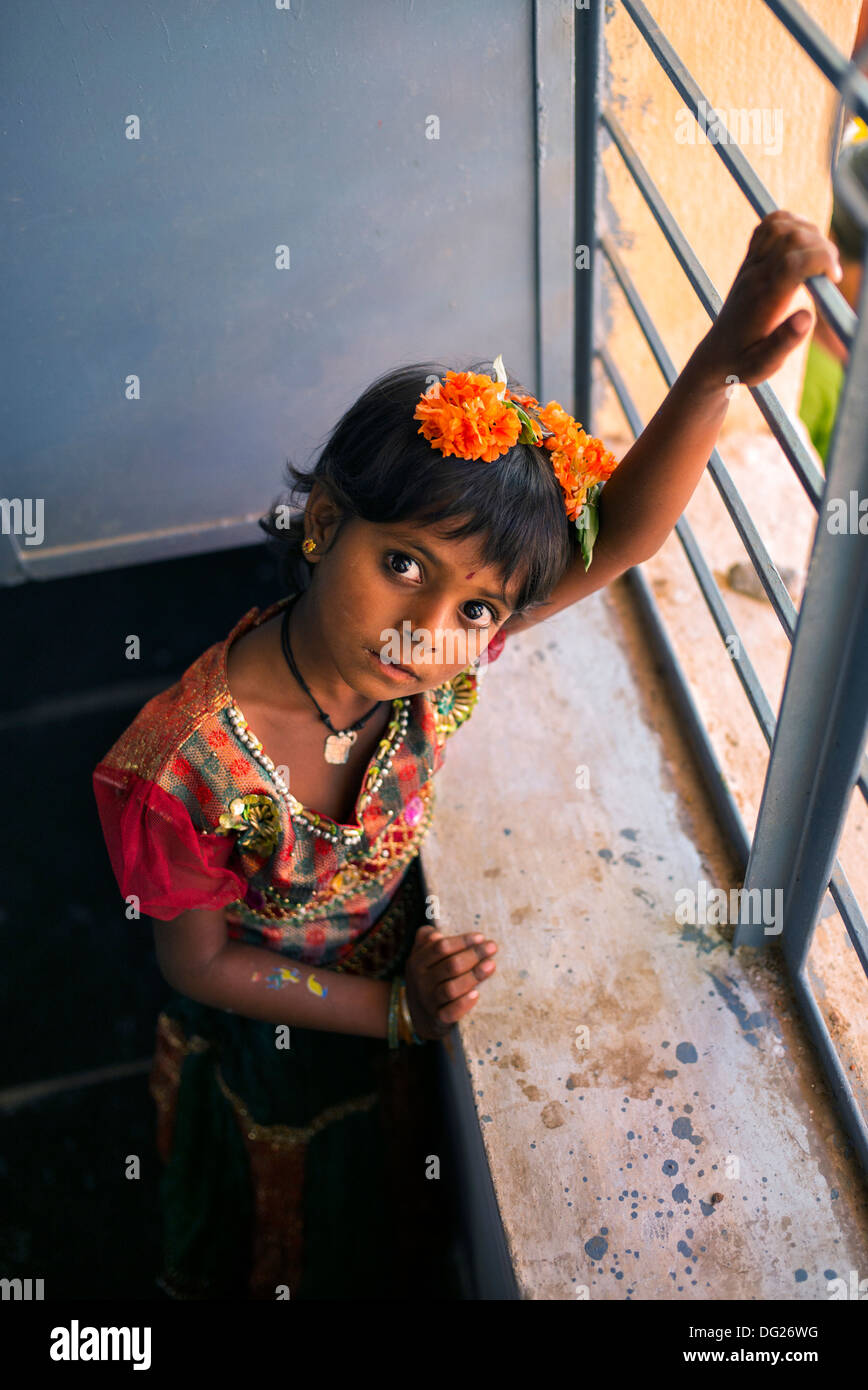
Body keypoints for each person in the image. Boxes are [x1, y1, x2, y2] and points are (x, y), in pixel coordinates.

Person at [92, 211, 841, 1300]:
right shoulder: (184, 768)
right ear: (322, 518)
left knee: (373, 1203)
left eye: (478, 605)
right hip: (274, 1030)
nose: (432, 627)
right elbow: (199, 964)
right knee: (281, 1218)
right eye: (401, 562)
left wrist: (723, 356)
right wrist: (390, 1011)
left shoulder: (437, 659)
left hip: (388, 988)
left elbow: (623, 531)